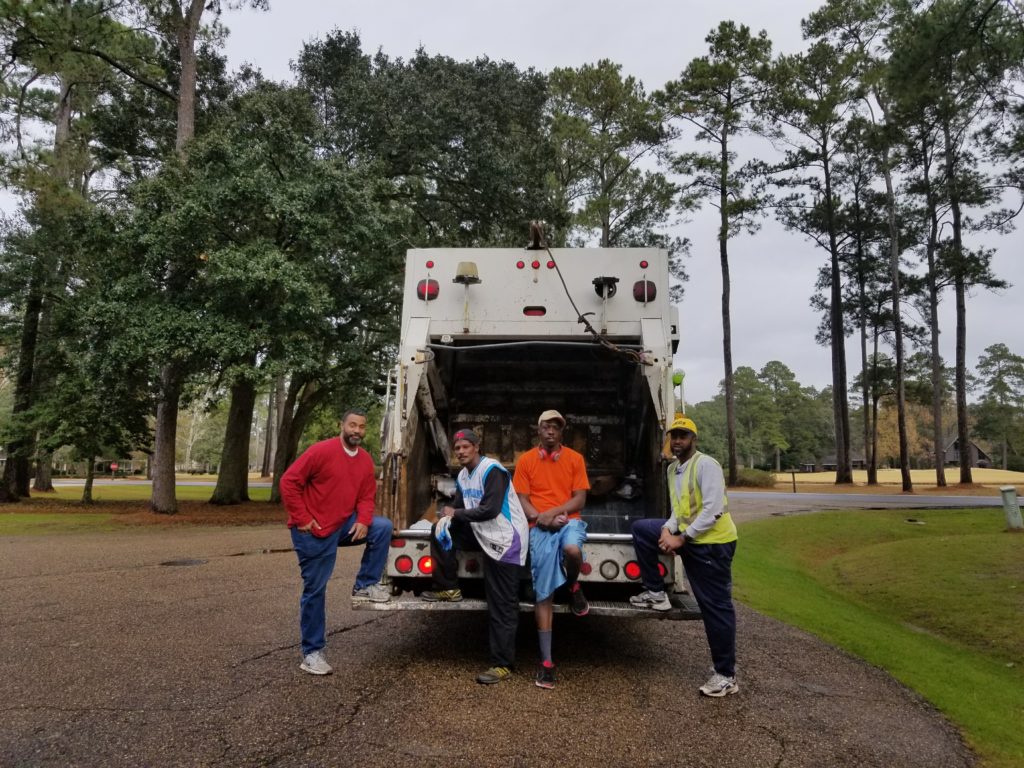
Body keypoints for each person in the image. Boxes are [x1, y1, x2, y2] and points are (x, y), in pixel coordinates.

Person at [629, 414, 739, 697]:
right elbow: (679, 510)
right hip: (688, 537)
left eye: (683, 436)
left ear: (694, 439)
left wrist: (681, 538)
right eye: (674, 436)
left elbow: (713, 510)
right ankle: (656, 593)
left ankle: (725, 675)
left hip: (712, 544)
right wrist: (667, 530)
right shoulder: (673, 470)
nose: (677, 441)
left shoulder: (706, 465)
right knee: (643, 530)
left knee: (715, 607)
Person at [280, 409, 393, 676]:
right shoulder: (321, 451)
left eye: (362, 427)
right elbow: (289, 482)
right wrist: (303, 518)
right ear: (341, 425)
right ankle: (312, 653)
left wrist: (364, 521)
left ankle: (365, 584)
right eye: (352, 425)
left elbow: (367, 496)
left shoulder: (365, 460)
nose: (357, 431)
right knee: (315, 591)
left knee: (382, 527)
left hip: (341, 524)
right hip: (313, 531)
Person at [421, 429, 529, 685]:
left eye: (465, 447)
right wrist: (449, 514)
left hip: (505, 539)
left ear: (477, 447)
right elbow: (459, 506)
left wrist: (456, 514)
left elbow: (491, 510)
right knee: (440, 529)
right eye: (457, 448)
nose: (460, 452)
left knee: (501, 604)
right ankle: (448, 588)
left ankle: (502, 664)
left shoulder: (493, 470)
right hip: (481, 532)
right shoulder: (463, 474)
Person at [513, 409, 590, 690]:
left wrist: (554, 513)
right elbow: (521, 497)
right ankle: (546, 663)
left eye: (556, 428)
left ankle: (573, 586)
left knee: (572, 550)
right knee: (543, 593)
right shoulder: (526, 461)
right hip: (539, 526)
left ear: (561, 433)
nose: (550, 432)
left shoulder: (574, 459)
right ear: (539, 430)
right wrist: (538, 518)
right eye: (546, 427)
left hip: (569, 521)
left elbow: (579, 499)